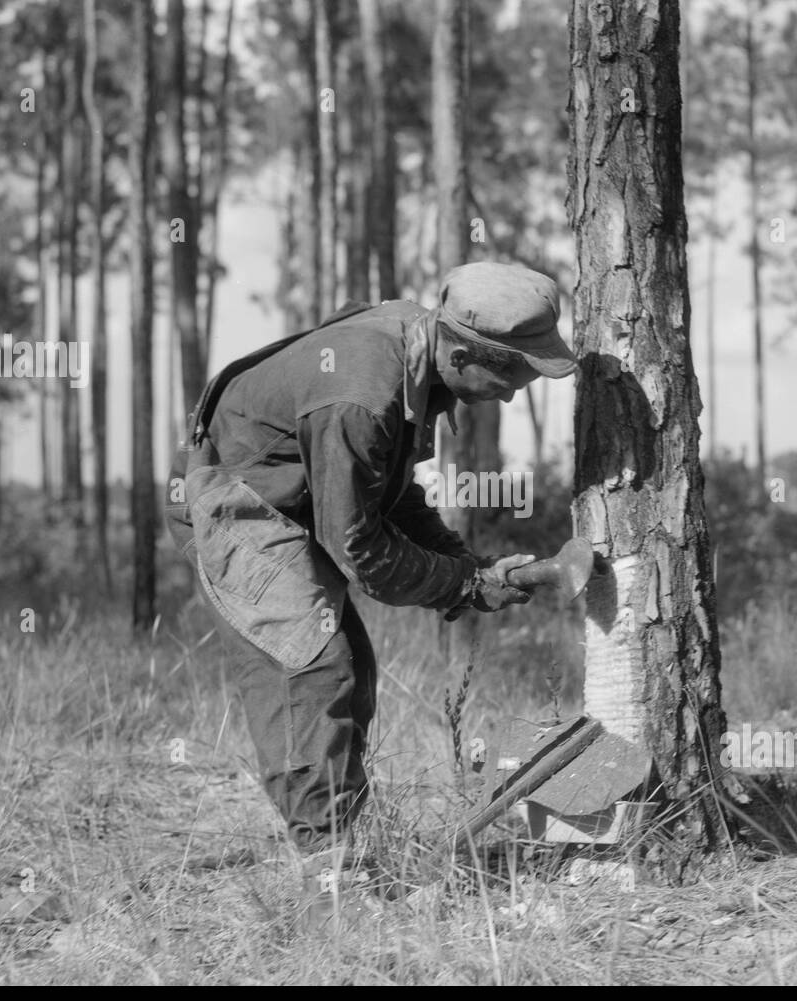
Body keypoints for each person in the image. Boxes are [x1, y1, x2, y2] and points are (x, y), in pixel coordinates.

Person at [167, 261, 577, 929]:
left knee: (353, 672)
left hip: (295, 502)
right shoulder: (361, 392)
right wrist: (469, 585)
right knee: (311, 668)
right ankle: (328, 884)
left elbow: (388, 494)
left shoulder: (417, 356)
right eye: (509, 375)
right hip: (239, 503)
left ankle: (346, 852)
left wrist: (464, 565)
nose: (509, 397)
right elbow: (358, 548)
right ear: (462, 351)